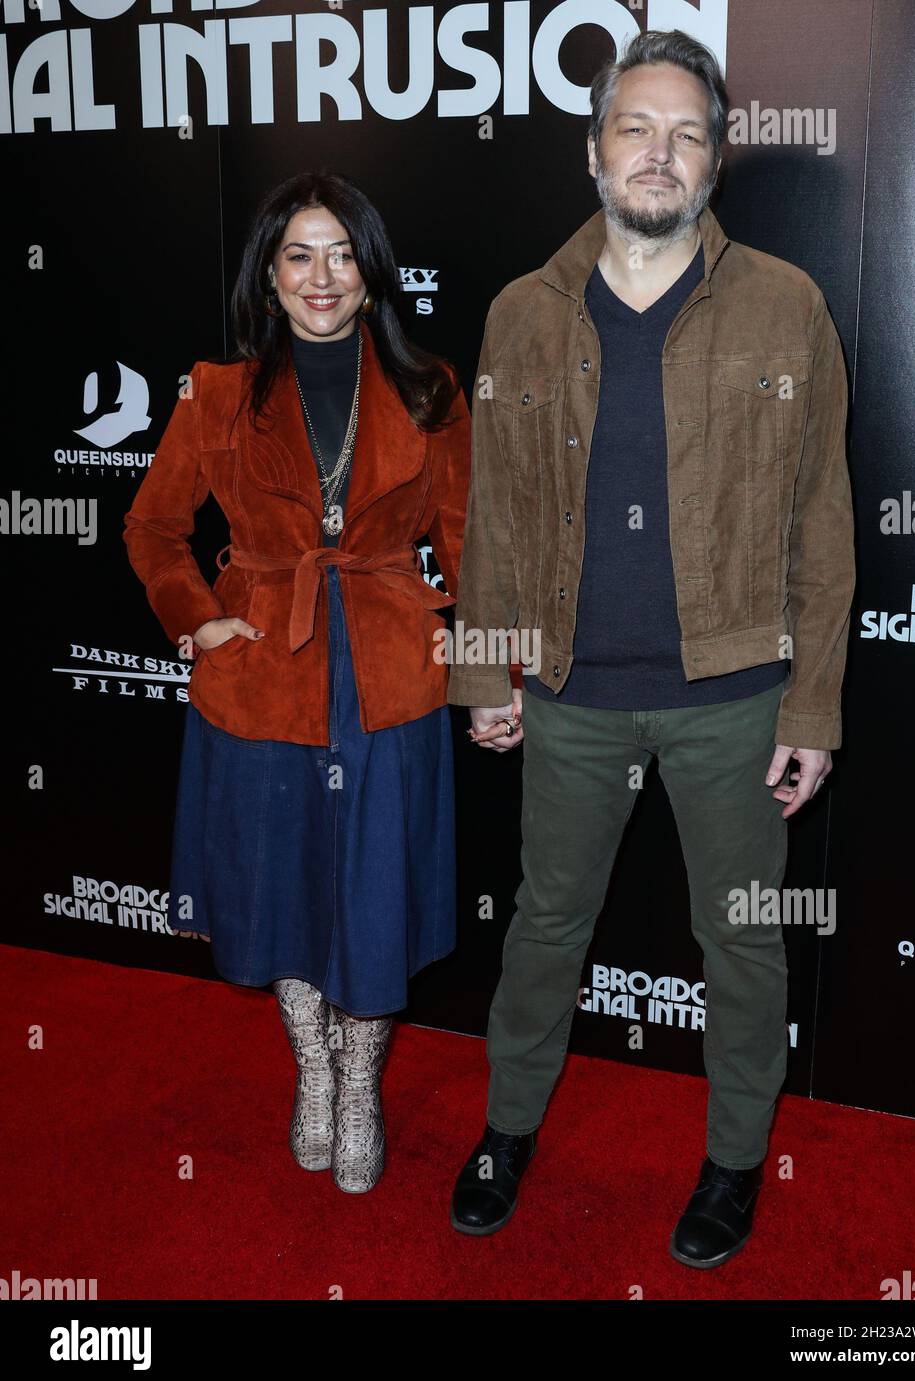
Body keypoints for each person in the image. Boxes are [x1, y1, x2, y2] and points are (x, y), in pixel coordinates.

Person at [445, 29, 855, 1266]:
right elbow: (499, 518)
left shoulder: (787, 305)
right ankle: (506, 1130)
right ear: (593, 150)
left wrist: (813, 708)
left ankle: (735, 1161)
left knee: (740, 936)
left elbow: (823, 519)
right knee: (544, 925)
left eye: (688, 132)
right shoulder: (522, 313)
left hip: (735, 694)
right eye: (638, 126)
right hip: (570, 692)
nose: (661, 152)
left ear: (717, 160)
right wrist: (486, 671)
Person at [123, 171, 471, 1194]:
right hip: (263, 676)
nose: (322, 277)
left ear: (370, 272)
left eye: (341, 254)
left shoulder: (431, 390)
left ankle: (360, 1082)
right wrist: (200, 619)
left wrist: (489, 677)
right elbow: (152, 528)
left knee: (372, 895)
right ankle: (311, 1070)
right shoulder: (217, 394)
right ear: (268, 276)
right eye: (298, 255)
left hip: (390, 680)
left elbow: (471, 543)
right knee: (280, 892)